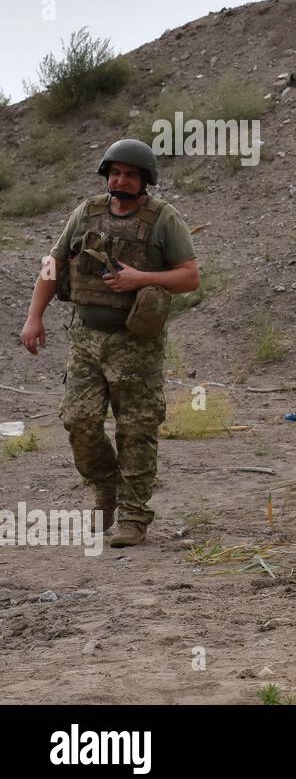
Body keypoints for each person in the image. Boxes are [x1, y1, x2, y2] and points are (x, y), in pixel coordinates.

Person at [20, 139, 200, 547]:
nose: (121, 180)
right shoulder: (86, 213)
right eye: (115, 173)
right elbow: (53, 264)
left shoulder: (163, 220)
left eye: (130, 174)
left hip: (136, 343)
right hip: (85, 338)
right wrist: (34, 316)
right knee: (78, 421)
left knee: (136, 429)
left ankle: (134, 518)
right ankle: (105, 487)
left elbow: (190, 277)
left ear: (145, 181)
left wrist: (141, 278)